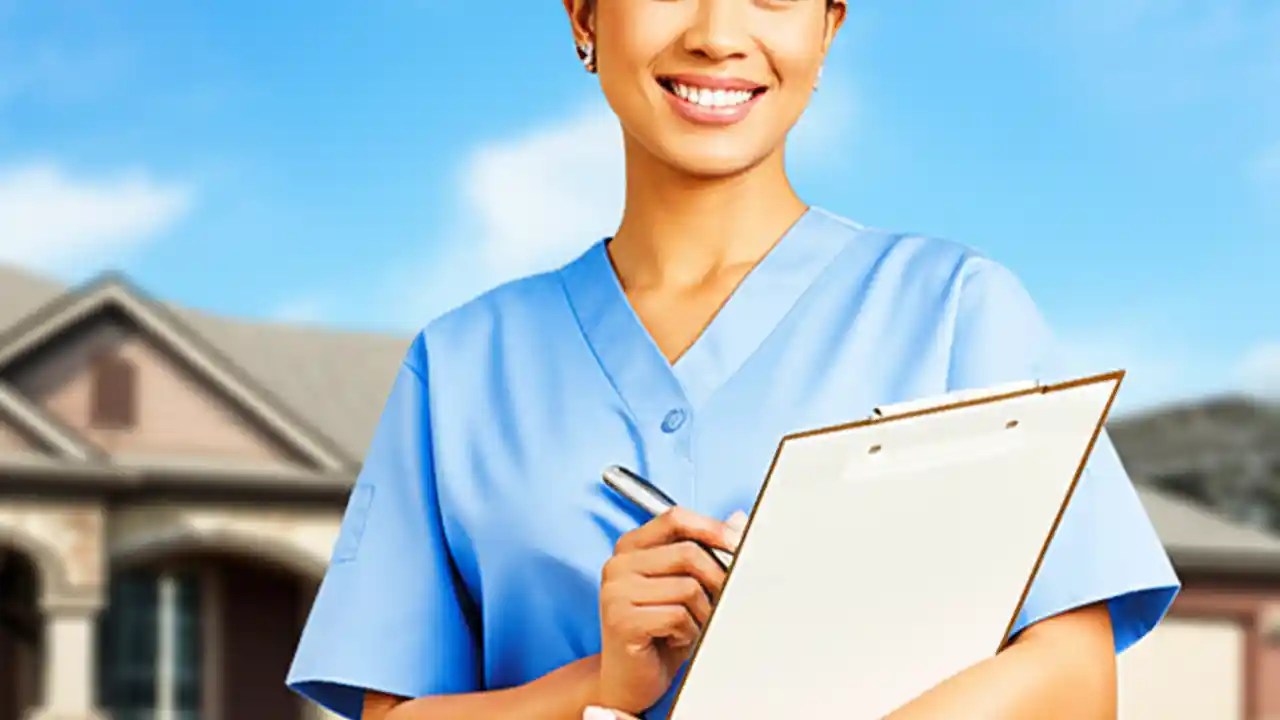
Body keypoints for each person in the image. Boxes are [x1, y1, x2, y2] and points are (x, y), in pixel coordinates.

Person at [286, 1, 1181, 718]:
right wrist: (597, 687)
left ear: (828, 28)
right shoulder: (463, 365)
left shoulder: (953, 310)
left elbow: (1071, 678)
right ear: (583, 19)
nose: (717, 35)